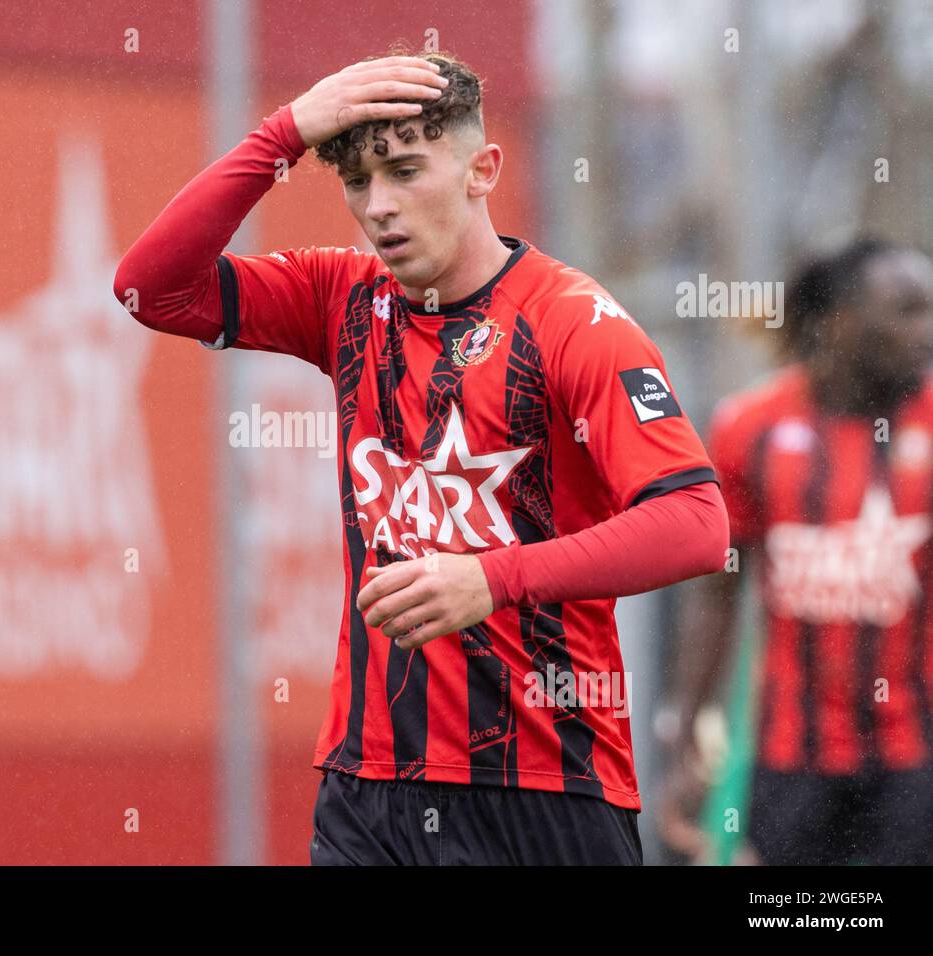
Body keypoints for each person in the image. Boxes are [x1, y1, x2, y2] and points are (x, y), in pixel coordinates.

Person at [114, 50, 728, 865]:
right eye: (359, 183)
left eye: (406, 171)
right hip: (367, 789)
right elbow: (149, 289)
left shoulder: (575, 322)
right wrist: (283, 135)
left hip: (544, 789)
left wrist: (493, 577)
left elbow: (694, 524)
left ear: (483, 170)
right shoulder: (344, 298)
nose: (380, 207)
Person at [662, 238, 933, 865]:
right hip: (792, 752)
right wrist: (687, 733)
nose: (926, 330)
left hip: (915, 751)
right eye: (907, 312)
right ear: (840, 321)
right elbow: (717, 592)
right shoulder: (750, 427)